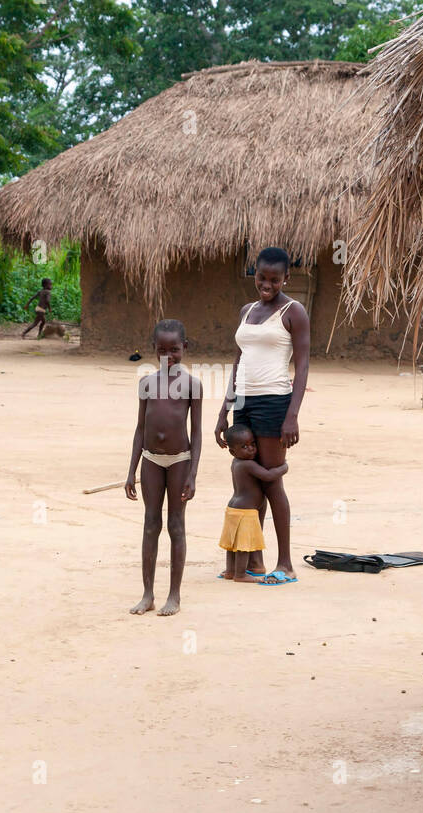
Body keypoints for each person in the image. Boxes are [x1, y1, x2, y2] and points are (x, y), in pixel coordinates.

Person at [214, 246, 310, 585]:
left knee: (272, 481)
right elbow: (239, 361)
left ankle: (285, 563)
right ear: (254, 274)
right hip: (244, 403)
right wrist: (225, 409)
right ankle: (253, 560)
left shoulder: (293, 311)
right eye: (261, 277)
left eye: (274, 279)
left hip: (274, 403)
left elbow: (302, 366)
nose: (266, 284)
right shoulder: (247, 310)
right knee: (250, 484)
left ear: (286, 278)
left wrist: (292, 416)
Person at [124, 320, 202, 615]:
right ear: (153, 349)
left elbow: (196, 433)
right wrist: (131, 469)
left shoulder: (193, 386)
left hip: (180, 461)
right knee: (150, 524)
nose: (168, 355)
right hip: (151, 461)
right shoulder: (146, 383)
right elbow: (140, 428)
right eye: (161, 350)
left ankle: (175, 596)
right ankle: (147, 594)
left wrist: (193, 474)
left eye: (175, 349)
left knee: (176, 525)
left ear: (186, 347)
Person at [218, 425, 288, 582]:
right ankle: (241, 574)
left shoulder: (236, 462)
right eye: (244, 447)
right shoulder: (248, 465)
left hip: (233, 509)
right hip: (246, 512)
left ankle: (231, 570)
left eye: (253, 444)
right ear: (232, 451)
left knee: (232, 544)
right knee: (243, 545)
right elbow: (269, 476)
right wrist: (284, 467)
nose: (250, 449)